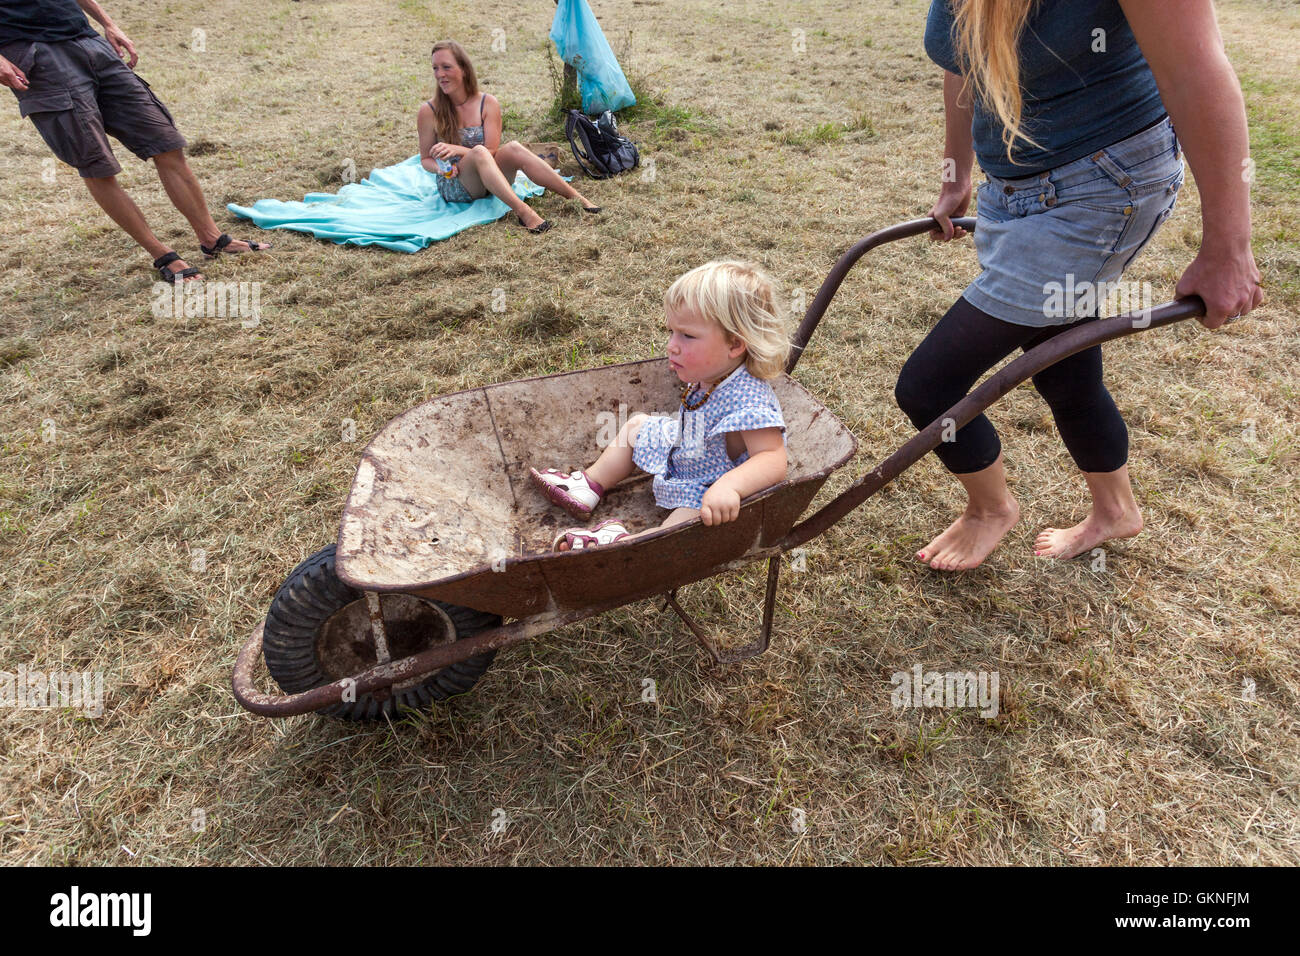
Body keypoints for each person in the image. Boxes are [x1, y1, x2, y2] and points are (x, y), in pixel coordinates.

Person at [894, 0, 1264, 571]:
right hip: (1015, 184)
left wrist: (1228, 249)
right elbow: (965, 58)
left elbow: (1196, 70)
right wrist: (956, 172)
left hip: (1102, 189)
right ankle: (1115, 508)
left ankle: (989, 510)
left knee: (929, 384)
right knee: (1059, 362)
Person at [0, 0, 270, 282]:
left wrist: (107, 23)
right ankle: (162, 254)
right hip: (34, 55)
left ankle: (212, 238)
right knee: (96, 164)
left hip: (88, 40)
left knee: (165, 141)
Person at [529, 261, 790, 551]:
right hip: (686, 447)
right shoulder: (714, 372)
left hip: (707, 483)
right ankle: (588, 485)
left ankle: (626, 543)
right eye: (672, 332)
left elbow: (773, 458)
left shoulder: (748, 398)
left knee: (686, 523)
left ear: (735, 345)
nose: (672, 345)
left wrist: (729, 487)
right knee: (636, 426)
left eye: (687, 336)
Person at [417, 40, 602, 235]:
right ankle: (524, 212)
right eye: (435, 68)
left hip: (492, 177)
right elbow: (425, 159)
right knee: (479, 152)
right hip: (457, 184)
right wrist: (440, 168)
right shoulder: (428, 110)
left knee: (513, 147)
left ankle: (578, 198)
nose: (440, 74)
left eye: (446, 67)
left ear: (463, 69)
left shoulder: (487, 103)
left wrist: (458, 149)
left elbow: (491, 151)